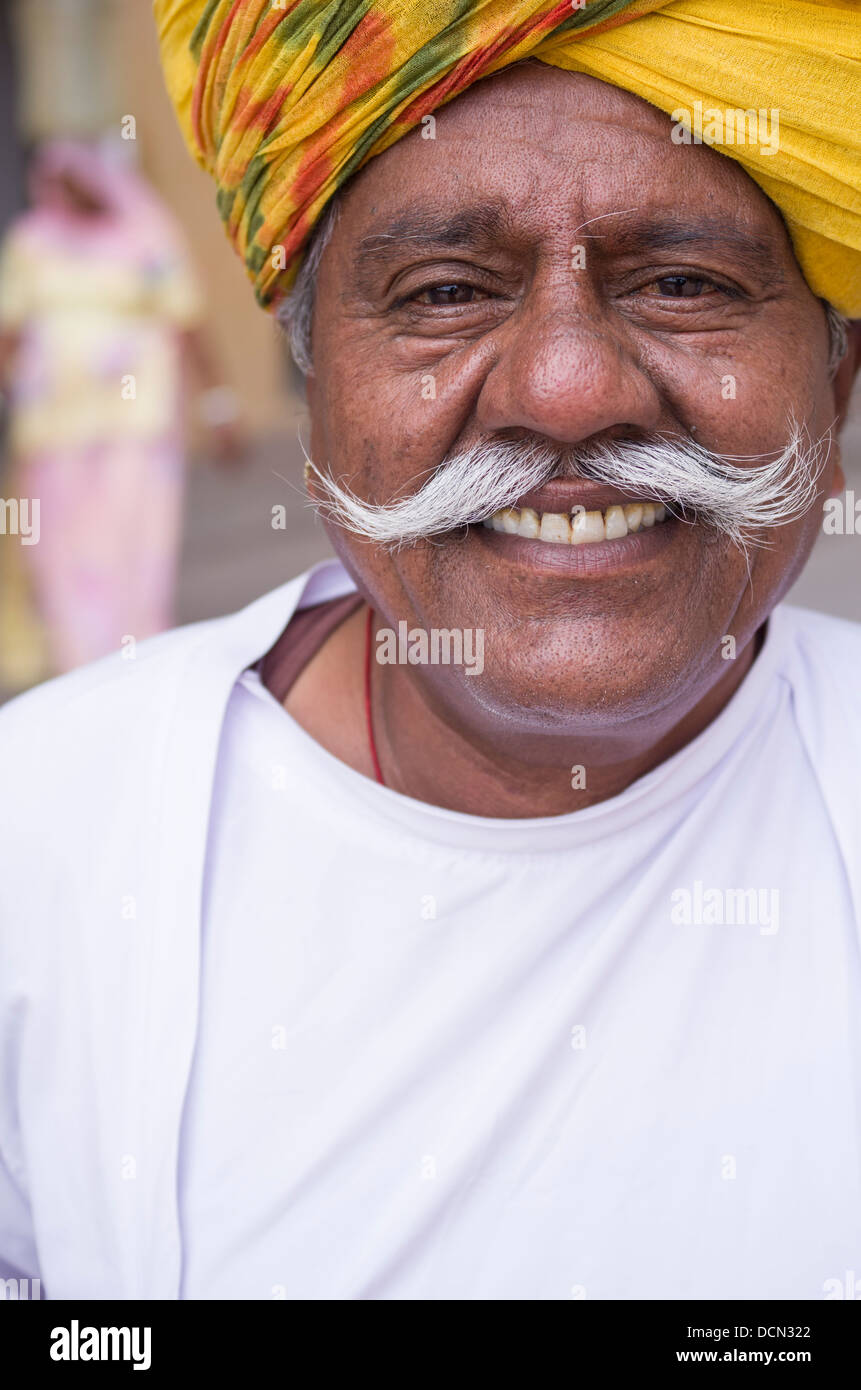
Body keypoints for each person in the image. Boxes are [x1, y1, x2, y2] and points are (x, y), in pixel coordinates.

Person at [0, 0, 859, 1300]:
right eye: (445, 292)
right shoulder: (43, 836)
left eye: (682, 283)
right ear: (317, 392)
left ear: (836, 380)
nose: (568, 389)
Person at [0, 140, 241, 687]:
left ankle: (139, 663)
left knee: (135, 543)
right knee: (62, 551)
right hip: (53, 432)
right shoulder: (31, 245)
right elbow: (9, 334)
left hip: (137, 427)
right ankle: (81, 668)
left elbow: (188, 325)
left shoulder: (146, 238)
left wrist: (218, 404)